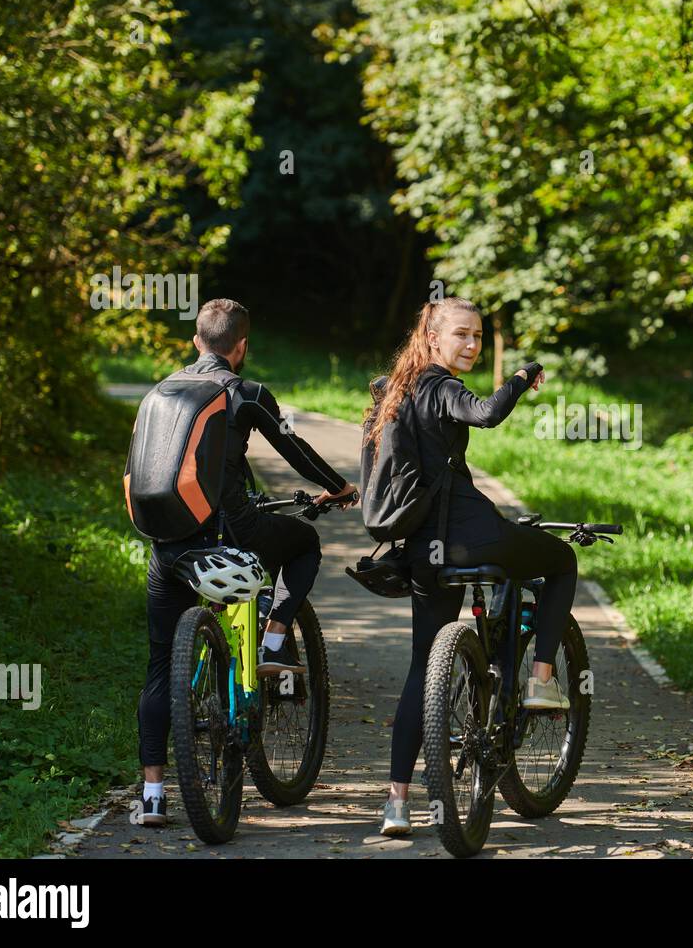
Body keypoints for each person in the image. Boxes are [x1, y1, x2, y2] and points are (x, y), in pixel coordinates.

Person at [136, 298, 358, 826]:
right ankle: (276, 636)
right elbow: (292, 446)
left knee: (161, 668)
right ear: (241, 348)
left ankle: (151, 797)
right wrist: (338, 487)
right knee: (302, 542)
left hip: (168, 548)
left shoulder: (162, 390)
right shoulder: (246, 392)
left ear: (196, 341)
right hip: (234, 536)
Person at [362, 297, 577, 837]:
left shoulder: (394, 391)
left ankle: (396, 803)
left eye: (478, 336)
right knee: (560, 558)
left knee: (419, 670)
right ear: (432, 338)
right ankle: (542, 680)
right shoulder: (438, 386)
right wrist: (523, 376)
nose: (472, 346)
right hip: (468, 540)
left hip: (419, 551)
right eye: (461, 335)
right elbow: (485, 414)